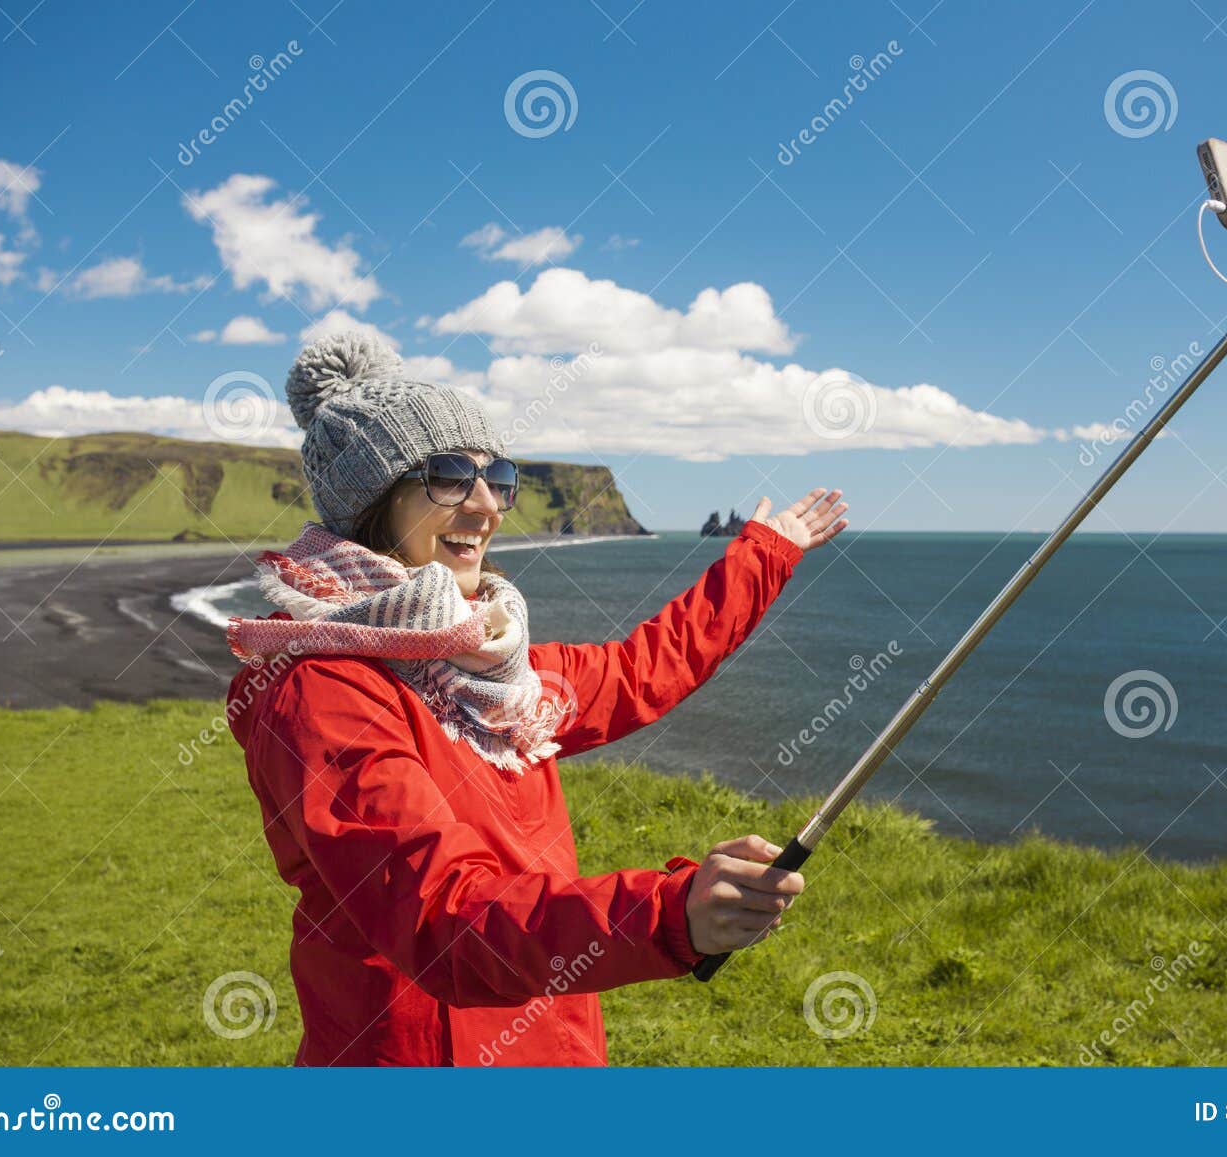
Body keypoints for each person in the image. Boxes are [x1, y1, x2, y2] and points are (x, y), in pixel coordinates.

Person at [226, 331, 848, 1066]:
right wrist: (669, 912)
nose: (487, 504)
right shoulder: (320, 694)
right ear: (371, 502)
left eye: (498, 476)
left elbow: (646, 667)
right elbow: (444, 917)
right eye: (451, 475)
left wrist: (762, 556)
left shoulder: (494, 672)